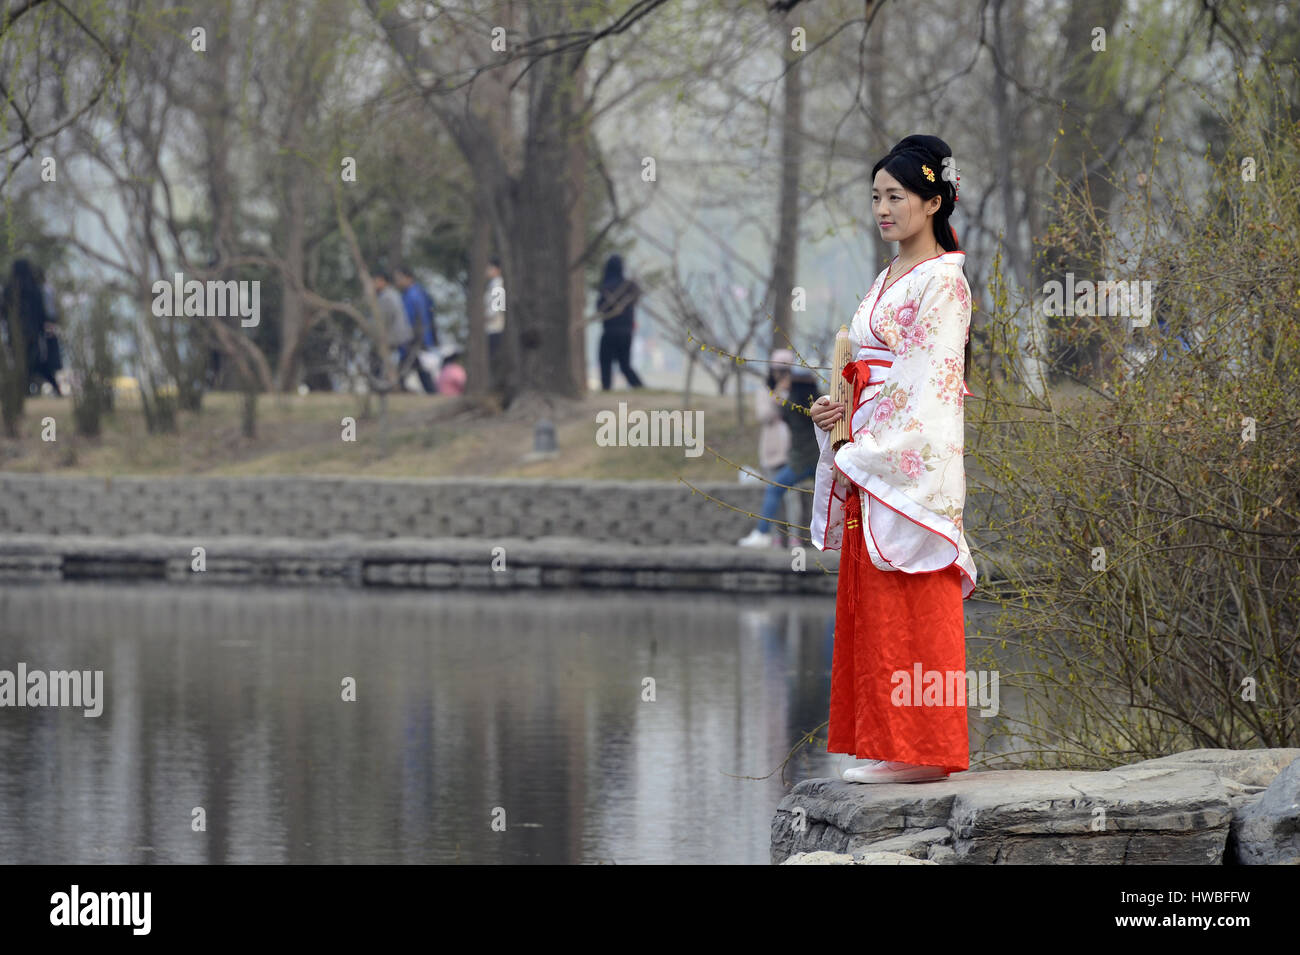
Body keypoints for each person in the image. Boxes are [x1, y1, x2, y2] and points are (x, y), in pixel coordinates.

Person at [809, 134, 976, 785]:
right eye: (876, 196)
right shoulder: (888, 280)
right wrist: (838, 416)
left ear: (933, 200)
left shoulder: (943, 285)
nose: (882, 208)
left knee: (912, 604)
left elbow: (925, 383)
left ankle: (922, 749)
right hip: (870, 450)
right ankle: (887, 742)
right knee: (874, 609)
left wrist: (869, 445)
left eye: (896, 196)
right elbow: (869, 369)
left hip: (906, 459)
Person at [739, 354, 819, 548]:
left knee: (775, 488)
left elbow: (772, 412)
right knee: (830, 498)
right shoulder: (818, 402)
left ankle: (763, 533)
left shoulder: (791, 404)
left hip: (801, 461)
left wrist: (778, 390)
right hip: (820, 460)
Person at [1, 259, 59, 395]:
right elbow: (42, 313)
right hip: (32, 333)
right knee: (33, 362)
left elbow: (3, 311)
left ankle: (24, 391)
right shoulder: (35, 289)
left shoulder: (9, 290)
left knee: (21, 362)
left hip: (14, 333)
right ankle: (27, 390)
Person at [593, 254, 643, 390]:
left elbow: (599, 309)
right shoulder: (629, 286)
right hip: (626, 332)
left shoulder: (606, 287)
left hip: (610, 331)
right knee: (625, 365)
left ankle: (606, 388)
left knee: (605, 362)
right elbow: (638, 295)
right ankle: (639, 387)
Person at [394, 265, 438, 394]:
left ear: (408, 278)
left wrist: (416, 339)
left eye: (399, 278)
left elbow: (417, 319)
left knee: (406, 369)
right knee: (420, 370)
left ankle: (400, 390)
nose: (397, 281)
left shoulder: (414, 295)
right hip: (415, 339)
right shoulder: (412, 293)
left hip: (415, 339)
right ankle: (432, 393)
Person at [371, 269, 413, 386]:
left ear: (383, 282)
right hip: (401, 336)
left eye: (375, 281)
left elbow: (384, 320)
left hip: (394, 337)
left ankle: (381, 384)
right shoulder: (393, 294)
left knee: (381, 361)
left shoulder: (386, 297)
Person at [484, 256, 506, 362]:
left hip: (495, 328)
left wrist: (482, 317)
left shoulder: (498, 284)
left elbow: (496, 308)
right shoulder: (494, 284)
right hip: (491, 328)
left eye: (489, 268)